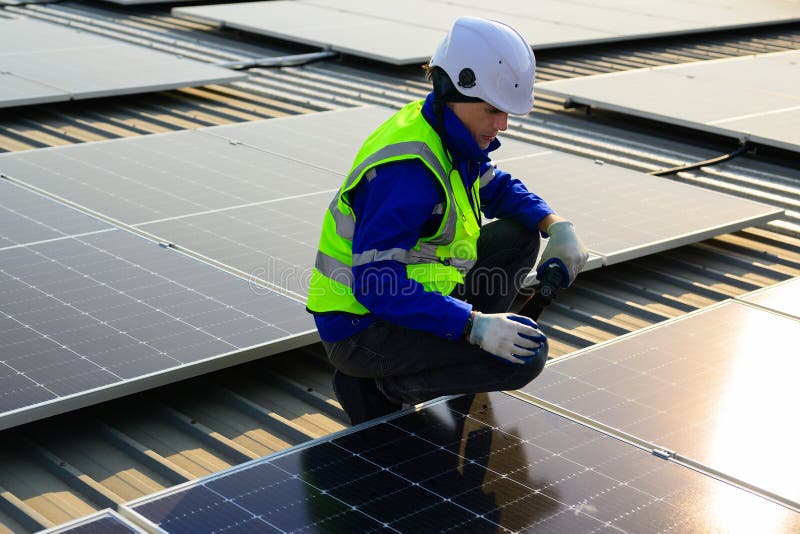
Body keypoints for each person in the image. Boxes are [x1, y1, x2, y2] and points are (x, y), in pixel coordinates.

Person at [306, 16, 588, 425]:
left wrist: (555, 224)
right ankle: (377, 389)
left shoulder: (446, 131)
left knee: (521, 235)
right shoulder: (407, 173)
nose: (502, 125)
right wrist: (473, 326)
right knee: (524, 358)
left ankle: (465, 347)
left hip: (411, 298)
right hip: (361, 328)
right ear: (452, 91)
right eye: (492, 110)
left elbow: (495, 186)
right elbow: (376, 286)